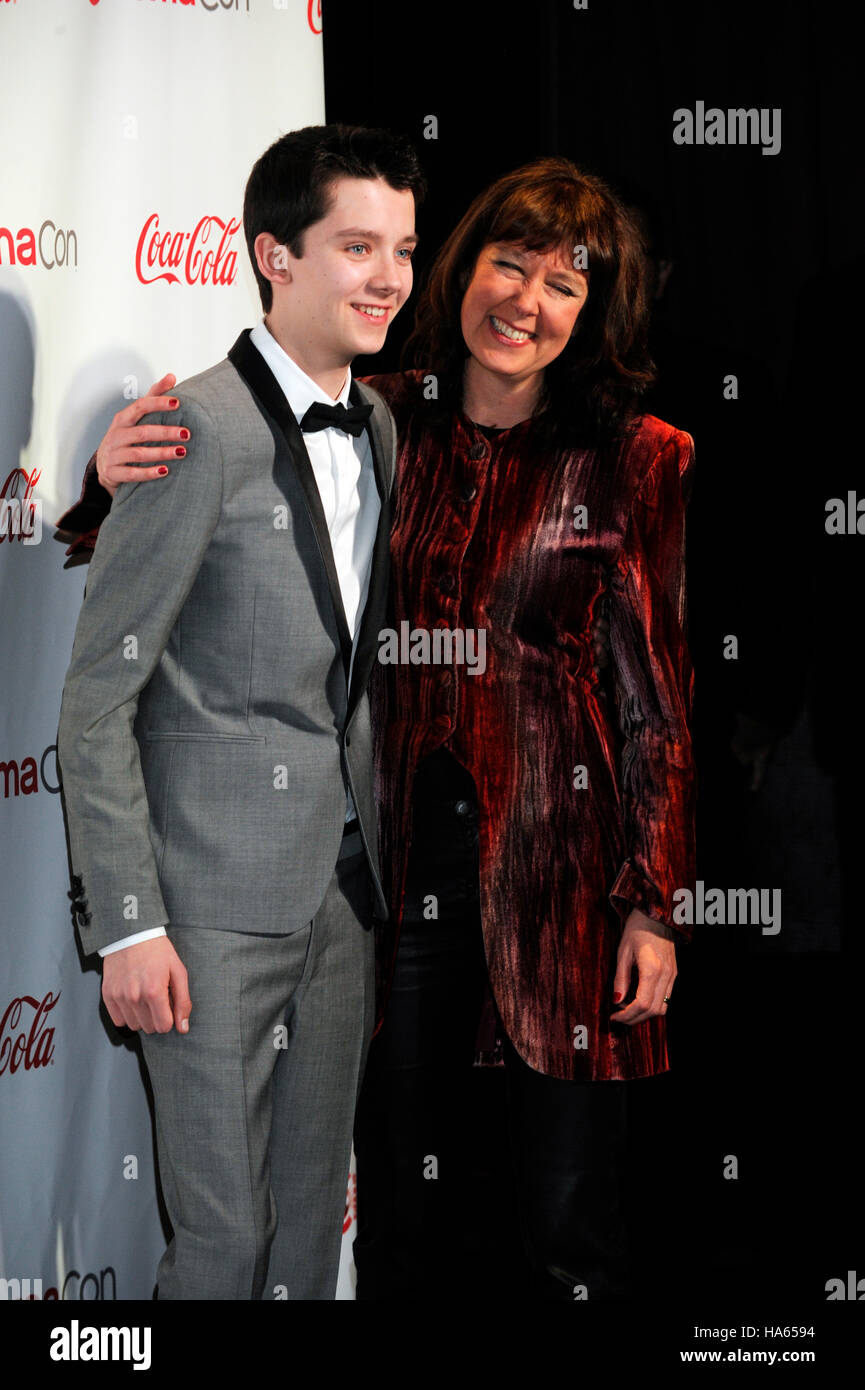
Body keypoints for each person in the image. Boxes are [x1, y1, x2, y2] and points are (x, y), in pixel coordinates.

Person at [60, 156, 695, 1302]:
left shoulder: (635, 454)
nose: (527, 300)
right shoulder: (392, 413)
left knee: (562, 1217)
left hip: (557, 879)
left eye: (567, 283)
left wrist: (655, 895)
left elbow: (656, 694)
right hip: (390, 890)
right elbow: (191, 513)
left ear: (596, 307)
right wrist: (107, 482)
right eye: (508, 262)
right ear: (467, 272)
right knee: (396, 1207)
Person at [55, 123, 425, 1300]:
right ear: (275, 254)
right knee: (218, 1251)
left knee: (312, 1235)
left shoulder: (378, 426)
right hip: (203, 916)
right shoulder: (191, 427)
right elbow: (98, 695)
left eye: (405, 250)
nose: (389, 278)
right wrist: (127, 925)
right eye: (356, 246)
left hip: (343, 900)